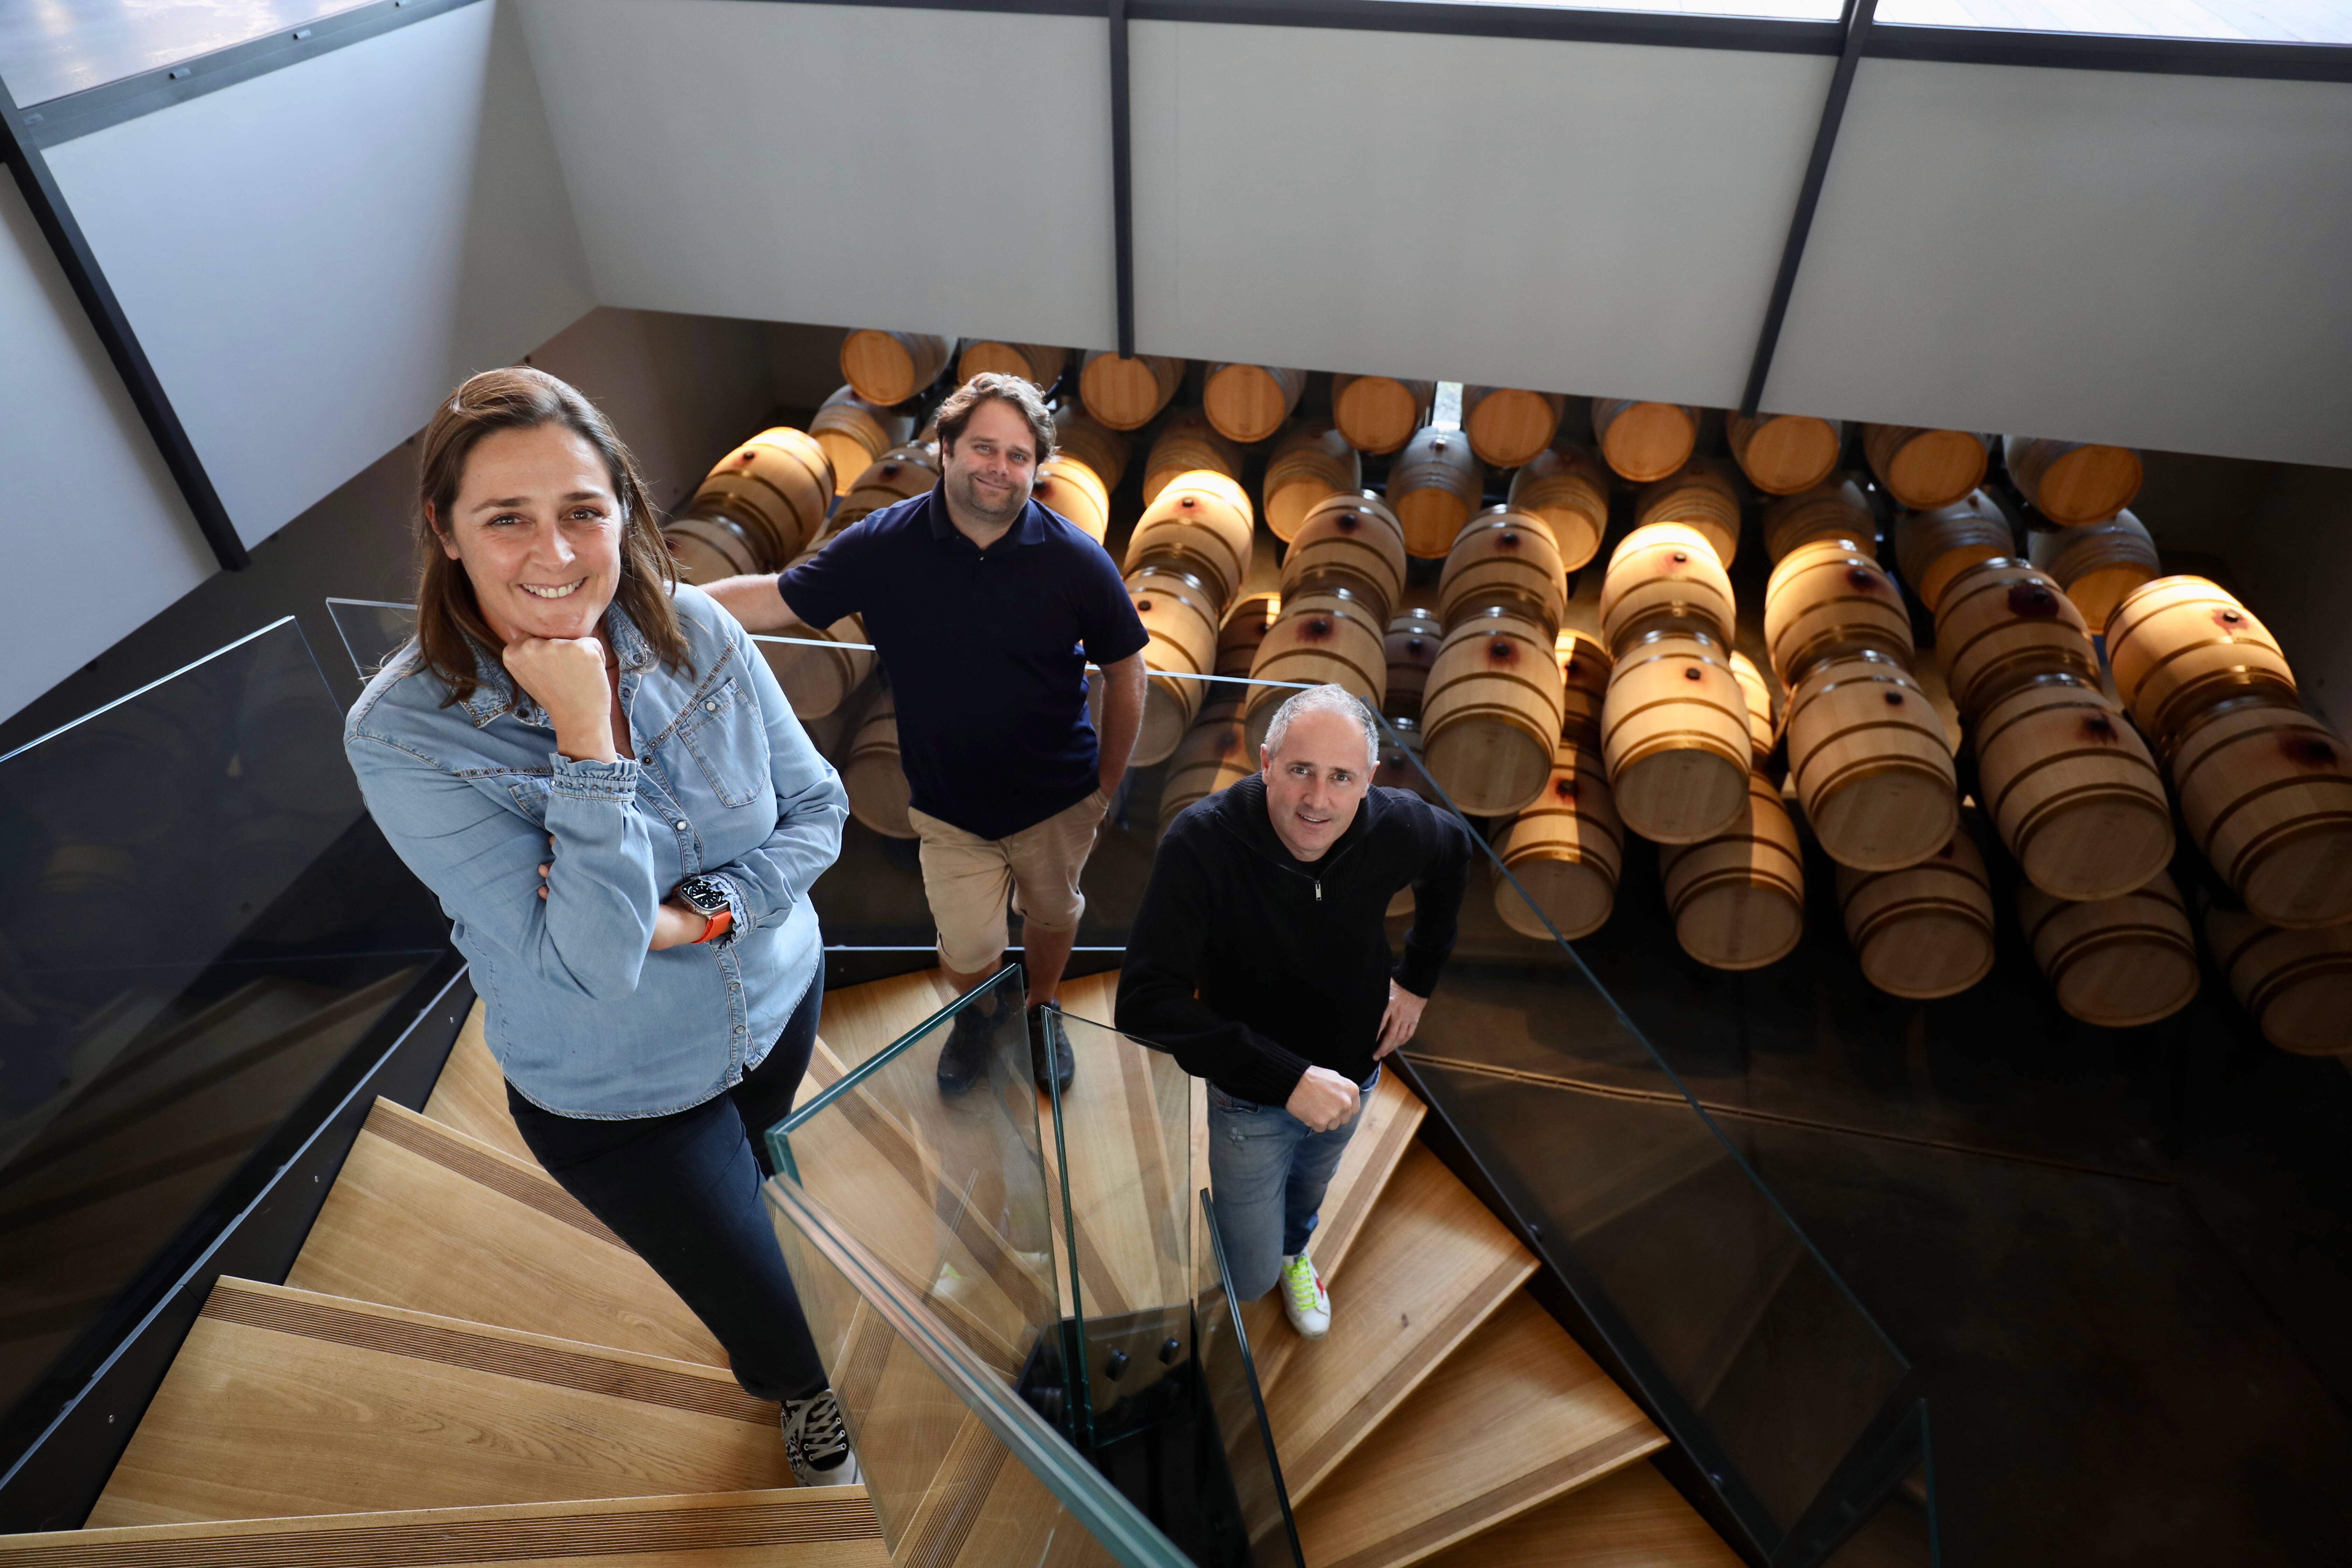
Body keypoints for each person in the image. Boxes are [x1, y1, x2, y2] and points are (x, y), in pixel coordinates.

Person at [344, 368, 860, 1486]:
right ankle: (803, 1389)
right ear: (445, 531)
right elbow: (592, 963)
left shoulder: (704, 629)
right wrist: (588, 740)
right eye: (507, 518)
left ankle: (788, 1291)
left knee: (777, 1188)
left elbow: (821, 807)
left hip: (775, 1002)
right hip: (620, 1094)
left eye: (583, 510)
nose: (556, 551)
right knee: (766, 1301)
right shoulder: (405, 735)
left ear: (624, 507)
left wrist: (710, 911)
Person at [707, 373, 1149, 1095]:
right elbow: (776, 597)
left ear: (1036, 467)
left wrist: (1105, 784)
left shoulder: (1072, 557)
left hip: (1059, 800)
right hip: (949, 806)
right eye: (983, 446)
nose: (999, 467)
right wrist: (666, 604)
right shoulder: (885, 543)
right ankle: (982, 1013)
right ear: (945, 447)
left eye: (1017, 454)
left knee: (1052, 915)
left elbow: (1130, 672)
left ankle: (1041, 1006)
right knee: (967, 946)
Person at [1116, 684, 1472, 1338]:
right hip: (1250, 1102)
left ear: (1368, 781)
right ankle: (1243, 1237)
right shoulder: (1202, 843)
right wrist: (1287, 1080)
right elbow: (1144, 1000)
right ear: (1265, 763)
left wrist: (1418, 979)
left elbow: (1454, 855)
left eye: (1341, 778)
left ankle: (1295, 1250)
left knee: (1308, 1194)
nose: (1318, 800)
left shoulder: (1395, 826)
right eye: (1301, 770)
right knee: (1246, 1280)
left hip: (1356, 1071)